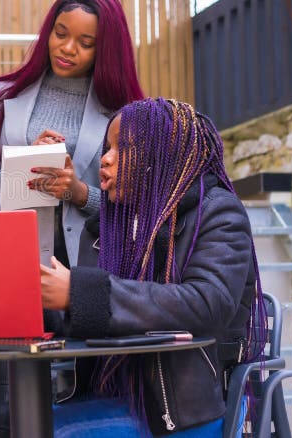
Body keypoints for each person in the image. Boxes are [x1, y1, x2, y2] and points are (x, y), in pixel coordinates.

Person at [0, 0, 144, 437]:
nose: (68, 49)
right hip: (10, 271)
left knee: (85, 407)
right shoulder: (4, 95)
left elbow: (131, 203)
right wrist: (28, 164)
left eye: (86, 43)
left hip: (86, 274)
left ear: (107, 50)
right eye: (61, 34)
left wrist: (78, 191)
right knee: (4, 415)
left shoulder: (122, 111)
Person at [40, 98, 266, 437]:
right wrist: (40, 304)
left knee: (37, 429)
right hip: (117, 400)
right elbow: (94, 313)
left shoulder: (219, 214)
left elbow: (207, 302)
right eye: (107, 147)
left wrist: (78, 293)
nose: (106, 157)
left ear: (163, 154)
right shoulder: (107, 231)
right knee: (14, 421)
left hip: (188, 412)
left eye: (123, 148)